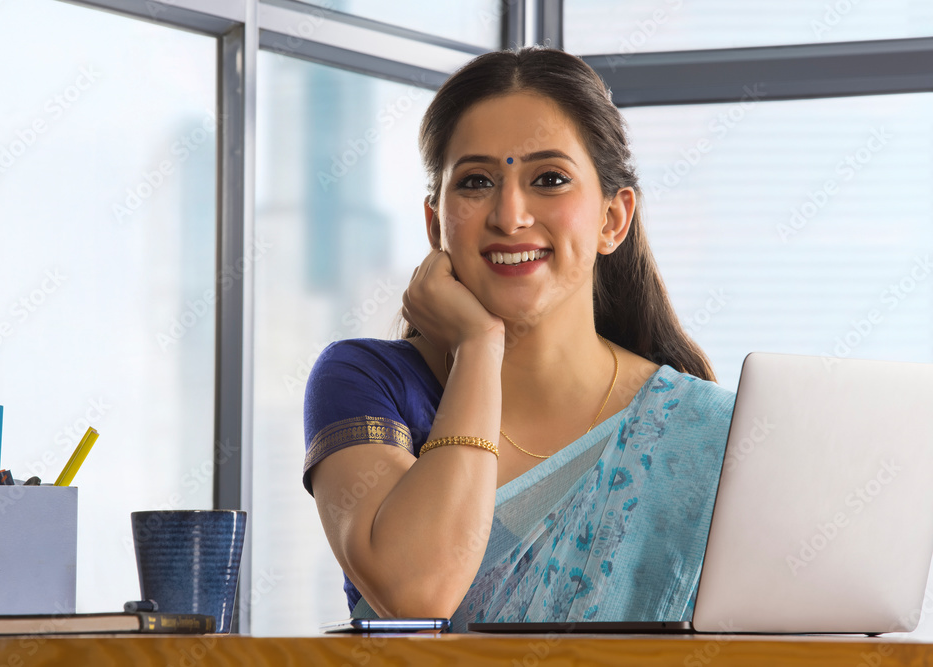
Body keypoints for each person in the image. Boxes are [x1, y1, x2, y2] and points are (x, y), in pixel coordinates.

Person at [302, 46, 735, 632]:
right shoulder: (367, 381)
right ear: (436, 224)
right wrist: (479, 346)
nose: (510, 215)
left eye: (549, 179)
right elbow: (416, 594)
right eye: (477, 181)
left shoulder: (705, 428)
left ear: (613, 220)